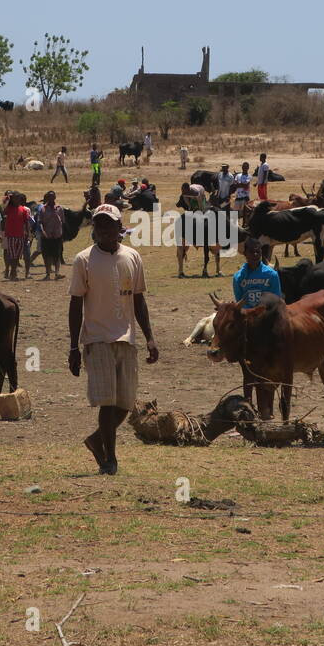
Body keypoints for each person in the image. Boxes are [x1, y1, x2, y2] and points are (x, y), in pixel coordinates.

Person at [67, 204, 158, 475]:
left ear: (121, 228)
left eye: (109, 224)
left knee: (125, 403)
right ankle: (110, 458)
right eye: (99, 224)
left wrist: (150, 338)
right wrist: (74, 346)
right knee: (107, 402)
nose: (104, 230)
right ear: (94, 228)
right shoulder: (83, 260)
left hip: (126, 338)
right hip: (97, 338)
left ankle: (97, 440)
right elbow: (75, 304)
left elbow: (139, 300)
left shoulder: (132, 257)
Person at [232, 237, 281, 308]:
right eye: (251, 251)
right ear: (245, 253)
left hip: (267, 315)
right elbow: (239, 302)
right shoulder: (238, 277)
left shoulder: (271, 274)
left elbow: (276, 301)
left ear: (261, 252)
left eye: (258, 251)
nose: (255, 254)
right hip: (247, 316)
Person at [175, 182, 208, 277]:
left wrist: (201, 211)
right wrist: (189, 207)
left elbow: (200, 202)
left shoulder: (196, 191)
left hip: (200, 196)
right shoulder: (184, 192)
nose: (183, 192)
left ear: (188, 189)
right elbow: (186, 199)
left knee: (202, 210)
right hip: (192, 198)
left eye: (184, 191)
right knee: (192, 208)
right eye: (182, 191)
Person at [3, 191, 32, 280]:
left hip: (20, 236)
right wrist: (8, 198)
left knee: (17, 256)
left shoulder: (23, 209)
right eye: (15, 198)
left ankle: (13, 272)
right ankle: (13, 272)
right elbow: (4, 209)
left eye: (18, 198)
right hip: (11, 236)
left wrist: (28, 233)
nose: (16, 200)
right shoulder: (9, 208)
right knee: (12, 255)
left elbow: (26, 222)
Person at [38, 190, 66, 280]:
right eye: (49, 196)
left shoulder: (59, 208)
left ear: (55, 197)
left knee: (57, 255)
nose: (51, 198)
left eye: (52, 196)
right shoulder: (43, 209)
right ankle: (48, 274)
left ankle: (57, 273)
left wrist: (61, 232)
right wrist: (43, 232)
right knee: (47, 255)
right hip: (47, 235)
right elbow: (40, 222)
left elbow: (62, 221)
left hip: (57, 235)